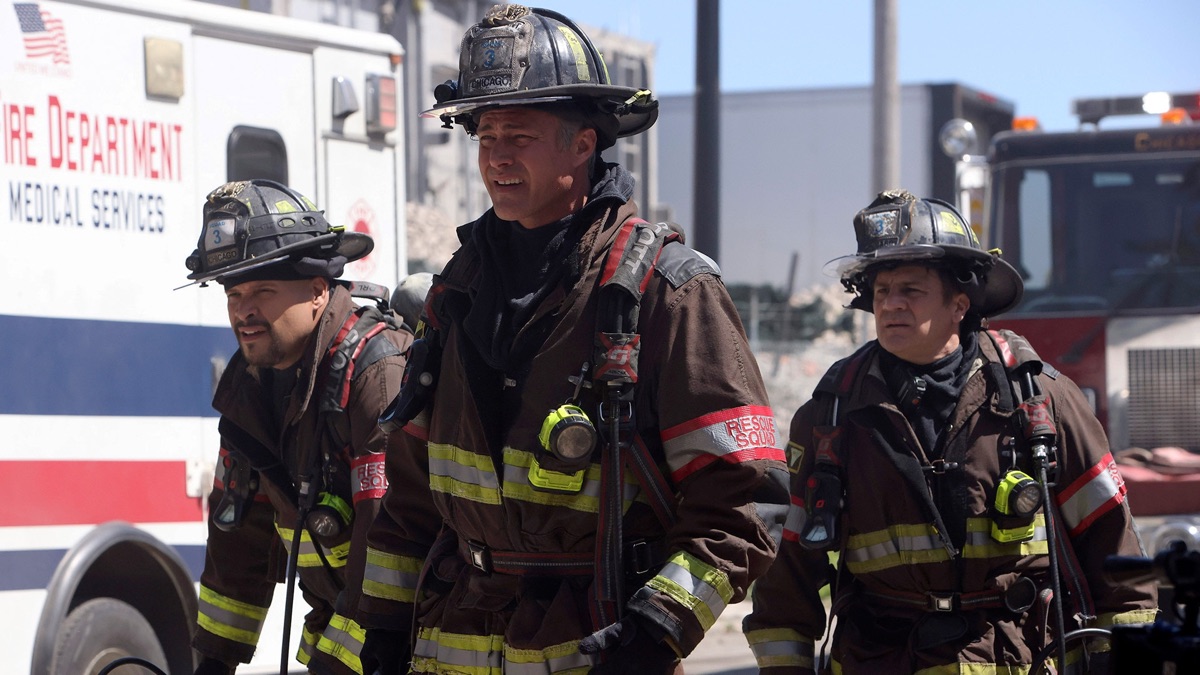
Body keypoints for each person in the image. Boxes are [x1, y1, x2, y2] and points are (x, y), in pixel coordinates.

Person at [355, 5, 790, 674]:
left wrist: (656, 631)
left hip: (597, 646)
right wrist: (384, 624)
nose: (497, 156)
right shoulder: (459, 289)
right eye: (486, 135)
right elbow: (412, 487)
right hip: (454, 642)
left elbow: (743, 496)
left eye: (520, 135)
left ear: (583, 144)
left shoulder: (665, 292)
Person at [742, 189, 1158, 674]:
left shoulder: (1040, 400)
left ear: (960, 304)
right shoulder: (830, 416)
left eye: (911, 291)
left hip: (1019, 659)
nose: (891, 304)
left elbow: (1114, 544)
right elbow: (787, 571)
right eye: (882, 291)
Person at [182, 179, 413, 675]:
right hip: (341, 633)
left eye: (262, 291)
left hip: (402, 644)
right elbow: (238, 537)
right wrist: (214, 663)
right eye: (234, 294)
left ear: (316, 291)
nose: (244, 310)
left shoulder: (374, 373)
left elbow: (388, 546)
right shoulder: (248, 391)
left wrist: (341, 663)